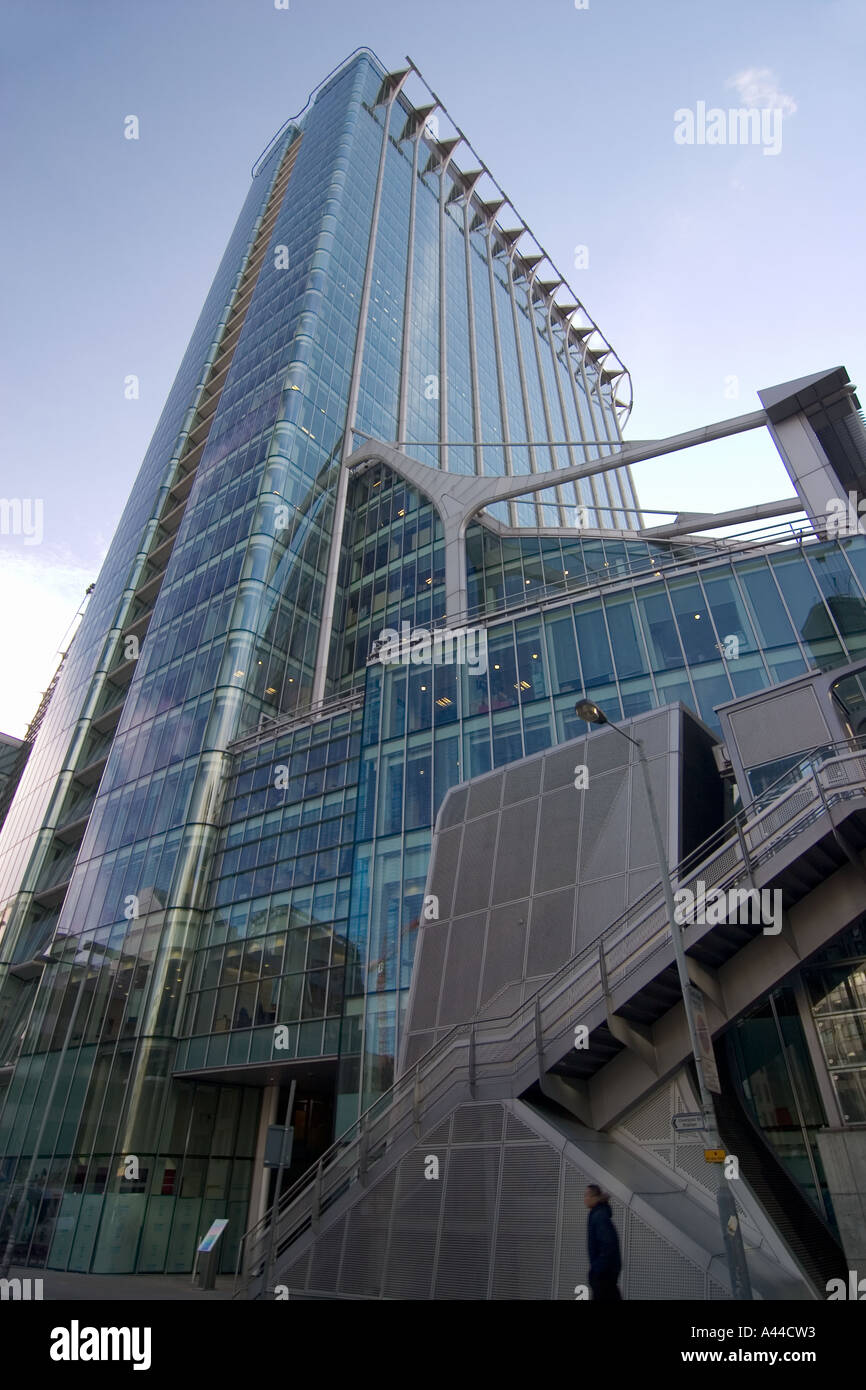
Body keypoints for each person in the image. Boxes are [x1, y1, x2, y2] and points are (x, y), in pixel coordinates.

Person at [584, 1184, 622, 1300]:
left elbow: (608, 1245)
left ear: (595, 1197)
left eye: (587, 1195)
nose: (584, 1198)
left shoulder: (599, 1216)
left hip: (604, 1273)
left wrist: (596, 1269)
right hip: (606, 1272)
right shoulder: (598, 1214)